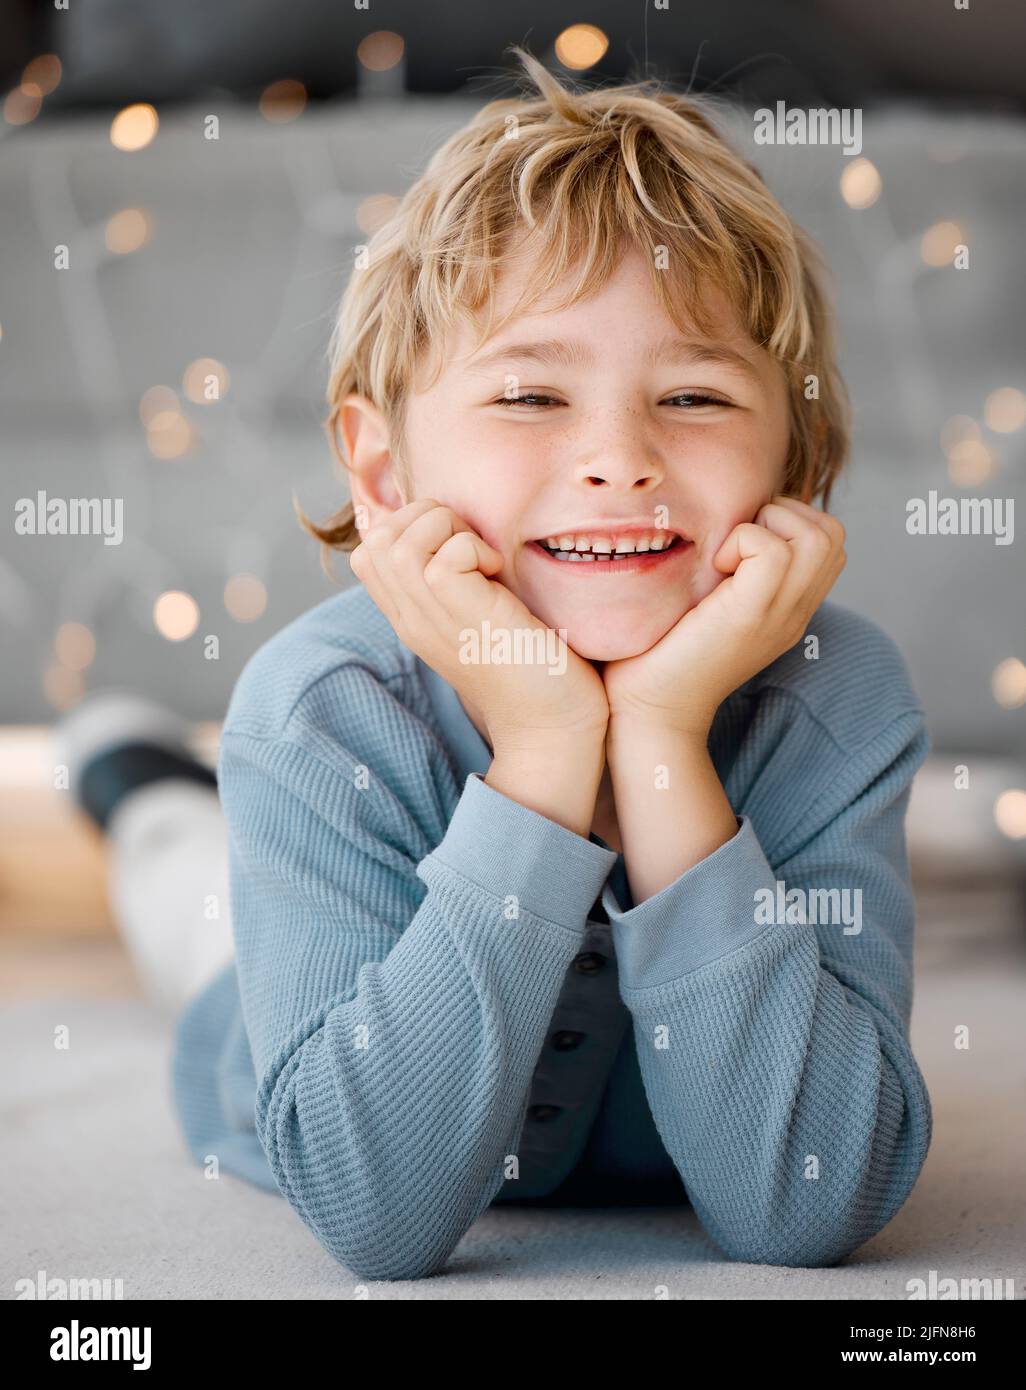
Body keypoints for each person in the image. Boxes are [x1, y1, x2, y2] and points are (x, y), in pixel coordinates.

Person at [57, 48, 932, 1282]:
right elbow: (376, 1212)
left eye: (693, 397)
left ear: (794, 467)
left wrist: (664, 744)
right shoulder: (323, 713)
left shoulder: (838, 700)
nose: (619, 458)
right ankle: (138, 783)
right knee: (188, 894)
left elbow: (809, 1201)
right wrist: (542, 755)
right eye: (530, 396)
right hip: (260, 1003)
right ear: (380, 471)